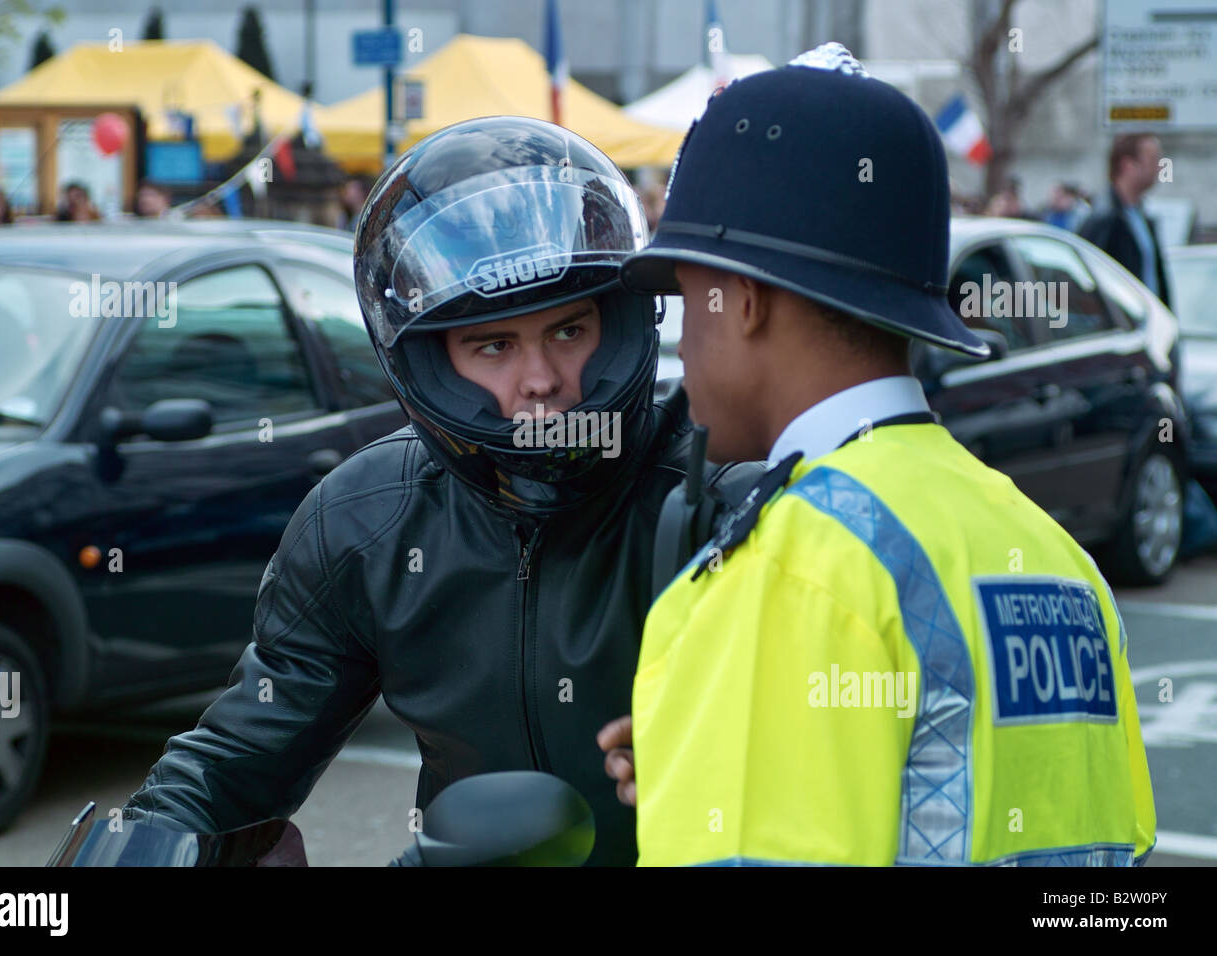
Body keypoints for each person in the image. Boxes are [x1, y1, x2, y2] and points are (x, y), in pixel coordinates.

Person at [108, 117, 757, 866]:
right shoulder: (365, 520)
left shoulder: (727, 494)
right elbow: (240, 753)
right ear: (428, 361)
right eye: (494, 346)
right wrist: (137, 849)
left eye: (569, 332)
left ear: (619, 324)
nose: (540, 379)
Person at [601, 43, 1156, 867]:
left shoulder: (791, 571)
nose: (686, 343)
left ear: (745, 300)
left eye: (688, 298)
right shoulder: (1057, 558)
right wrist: (710, 756)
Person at [1079, 133, 1171, 307]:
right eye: (1152, 159)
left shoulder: (1141, 216)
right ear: (1128, 165)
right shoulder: (1103, 219)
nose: (1159, 167)